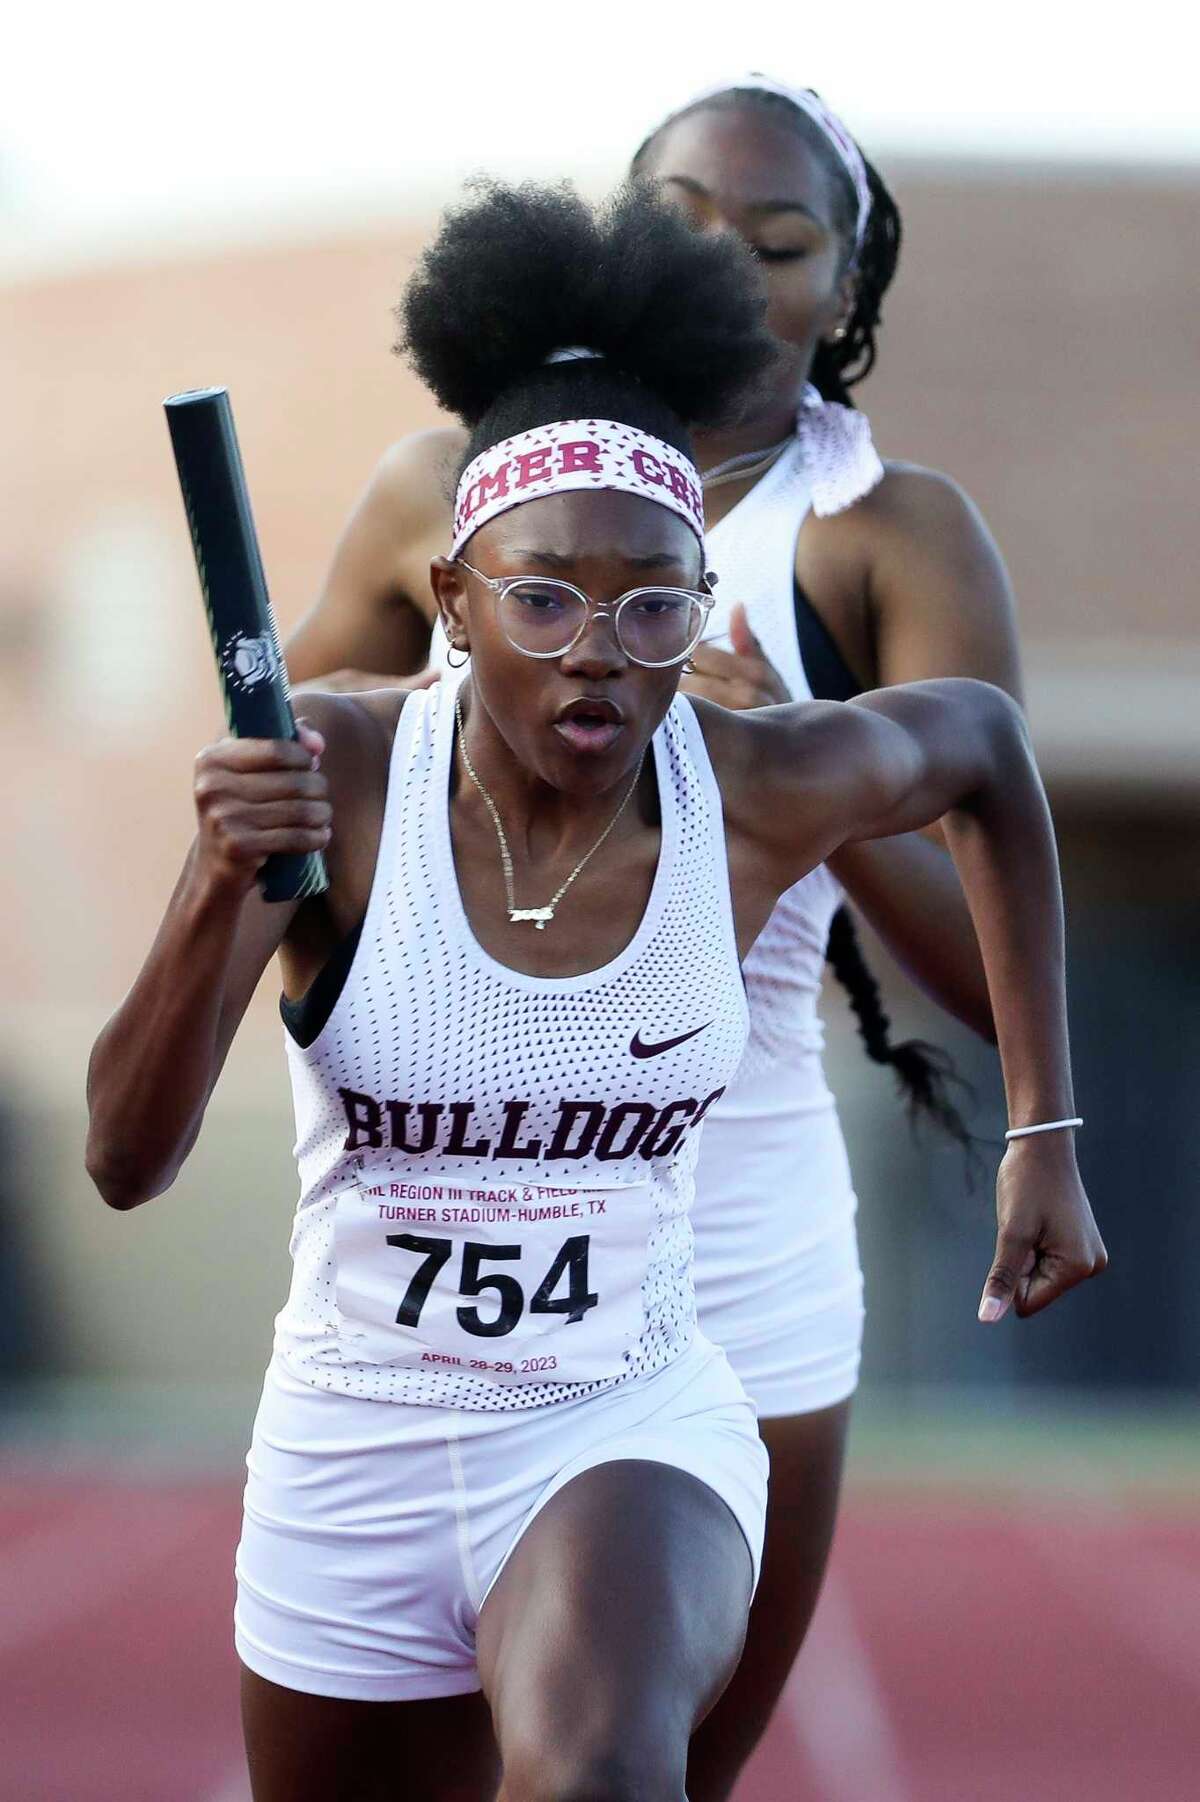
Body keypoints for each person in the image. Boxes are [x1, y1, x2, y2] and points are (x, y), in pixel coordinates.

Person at [87, 181, 1104, 1802]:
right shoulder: (338, 768)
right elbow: (124, 1160)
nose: (600, 652)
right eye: (546, 596)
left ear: (697, 604)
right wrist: (219, 878)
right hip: (355, 1439)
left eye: (652, 604)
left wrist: (1042, 1126)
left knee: (601, 1771)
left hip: (618, 1419)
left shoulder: (747, 781)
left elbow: (980, 743)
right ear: (453, 602)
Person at [283, 76, 1030, 1797]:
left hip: (740, 1219)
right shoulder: (446, 486)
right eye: (686, 228)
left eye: (782, 242)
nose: (733, 273)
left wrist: (796, 774)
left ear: (847, 284)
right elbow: (278, 773)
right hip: (456, 1195)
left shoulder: (886, 533)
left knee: (641, 1771)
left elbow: (989, 953)